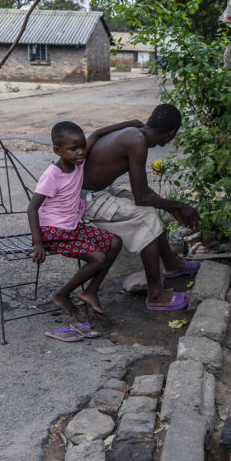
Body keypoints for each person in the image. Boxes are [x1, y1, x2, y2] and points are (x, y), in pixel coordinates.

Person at [82, 103, 202, 311]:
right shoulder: (137, 141)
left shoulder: (134, 133)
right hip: (83, 200)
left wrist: (173, 208)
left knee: (151, 210)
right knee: (146, 216)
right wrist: (180, 206)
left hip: (97, 192)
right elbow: (142, 197)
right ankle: (156, 295)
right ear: (171, 134)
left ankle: (172, 266)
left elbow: (144, 192)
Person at [28, 120, 134, 342]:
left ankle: (90, 291)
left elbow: (98, 132)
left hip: (72, 228)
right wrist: (38, 242)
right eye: (73, 149)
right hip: (53, 232)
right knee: (98, 257)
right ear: (57, 150)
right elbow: (32, 207)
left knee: (115, 242)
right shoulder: (53, 174)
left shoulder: (77, 164)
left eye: (82, 147)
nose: (81, 153)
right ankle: (61, 294)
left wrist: (130, 124)